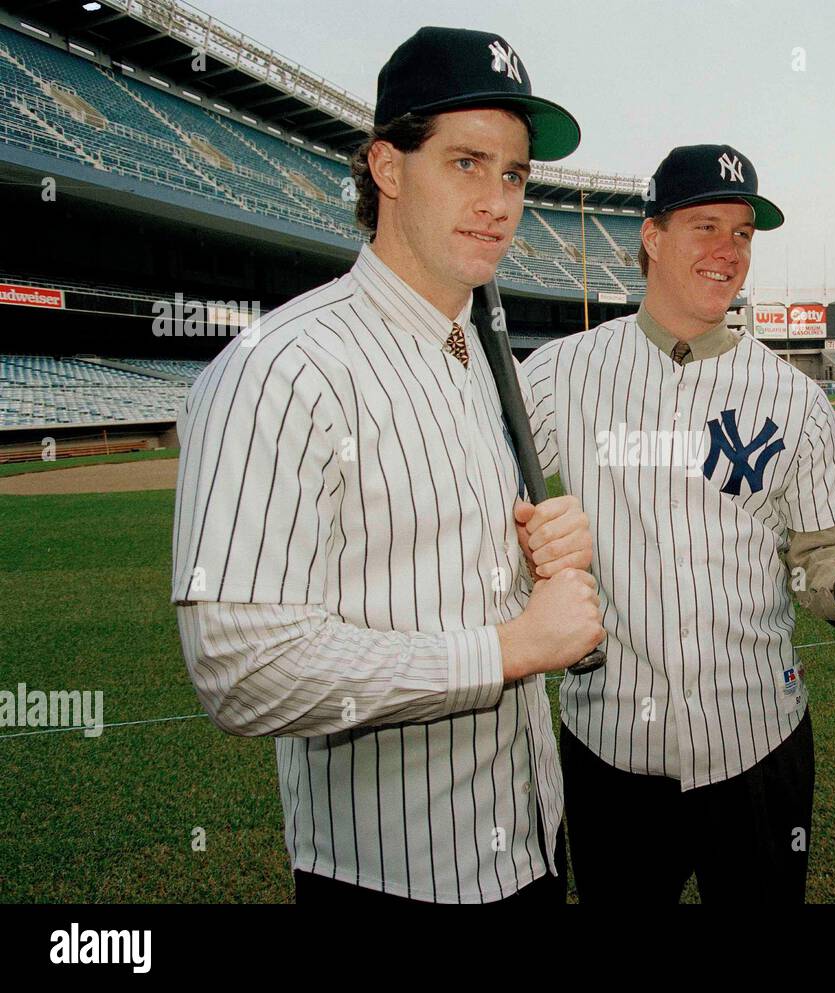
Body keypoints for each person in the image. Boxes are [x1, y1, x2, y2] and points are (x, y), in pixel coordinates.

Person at [171, 25, 603, 905]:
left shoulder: (482, 354)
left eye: (514, 174)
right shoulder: (280, 366)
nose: (497, 200)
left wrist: (533, 566)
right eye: (466, 163)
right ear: (389, 168)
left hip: (533, 846)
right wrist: (507, 649)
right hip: (388, 878)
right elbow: (240, 668)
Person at [520, 144, 835, 903]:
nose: (727, 251)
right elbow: (483, 491)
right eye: (706, 225)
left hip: (758, 741)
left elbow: (818, 561)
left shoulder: (792, 396)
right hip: (610, 745)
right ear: (652, 236)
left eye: (742, 233)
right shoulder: (561, 370)